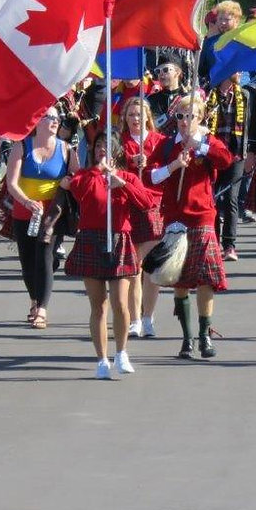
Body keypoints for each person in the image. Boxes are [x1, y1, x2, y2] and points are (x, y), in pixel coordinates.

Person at [147, 95, 234, 359]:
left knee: (206, 278)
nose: (186, 121)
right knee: (180, 280)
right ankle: (187, 339)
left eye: (191, 116)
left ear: (201, 117)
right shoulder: (165, 146)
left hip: (203, 216)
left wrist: (200, 146)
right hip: (176, 219)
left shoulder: (208, 142)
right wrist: (174, 165)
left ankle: (204, 334)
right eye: (181, 116)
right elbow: (151, 176)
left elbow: (226, 160)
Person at [66, 130, 154, 379]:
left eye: (107, 147)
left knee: (120, 303)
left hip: (119, 240)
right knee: (98, 306)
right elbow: (78, 190)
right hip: (91, 239)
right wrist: (98, 172)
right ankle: (101, 360)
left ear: (116, 151)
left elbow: (146, 203)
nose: (102, 150)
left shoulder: (126, 177)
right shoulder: (86, 175)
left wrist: (122, 183)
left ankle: (122, 352)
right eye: (98, 147)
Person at [5, 107, 80, 329]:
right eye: (50, 118)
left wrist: (70, 181)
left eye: (58, 119)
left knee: (45, 257)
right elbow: (11, 182)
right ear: (37, 121)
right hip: (24, 211)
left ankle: (42, 309)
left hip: (53, 214)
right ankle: (34, 301)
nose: (55, 122)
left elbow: (79, 177)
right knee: (28, 262)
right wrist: (27, 202)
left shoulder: (67, 150)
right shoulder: (21, 146)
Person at [120, 97, 166, 337]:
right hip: (127, 206)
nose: (135, 119)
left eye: (139, 115)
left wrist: (149, 166)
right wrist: (129, 163)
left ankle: (148, 316)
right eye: (130, 115)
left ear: (147, 116)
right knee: (132, 267)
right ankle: (135, 318)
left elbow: (167, 170)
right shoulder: (119, 142)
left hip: (153, 205)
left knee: (151, 268)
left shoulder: (159, 141)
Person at [207, 74, 248, 261]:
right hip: (214, 152)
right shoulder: (210, 95)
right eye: (236, 69)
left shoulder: (244, 95)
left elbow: (250, 125)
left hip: (236, 154)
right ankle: (213, 243)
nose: (240, 73)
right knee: (213, 198)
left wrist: (250, 152)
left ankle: (229, 245)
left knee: (231, 197)